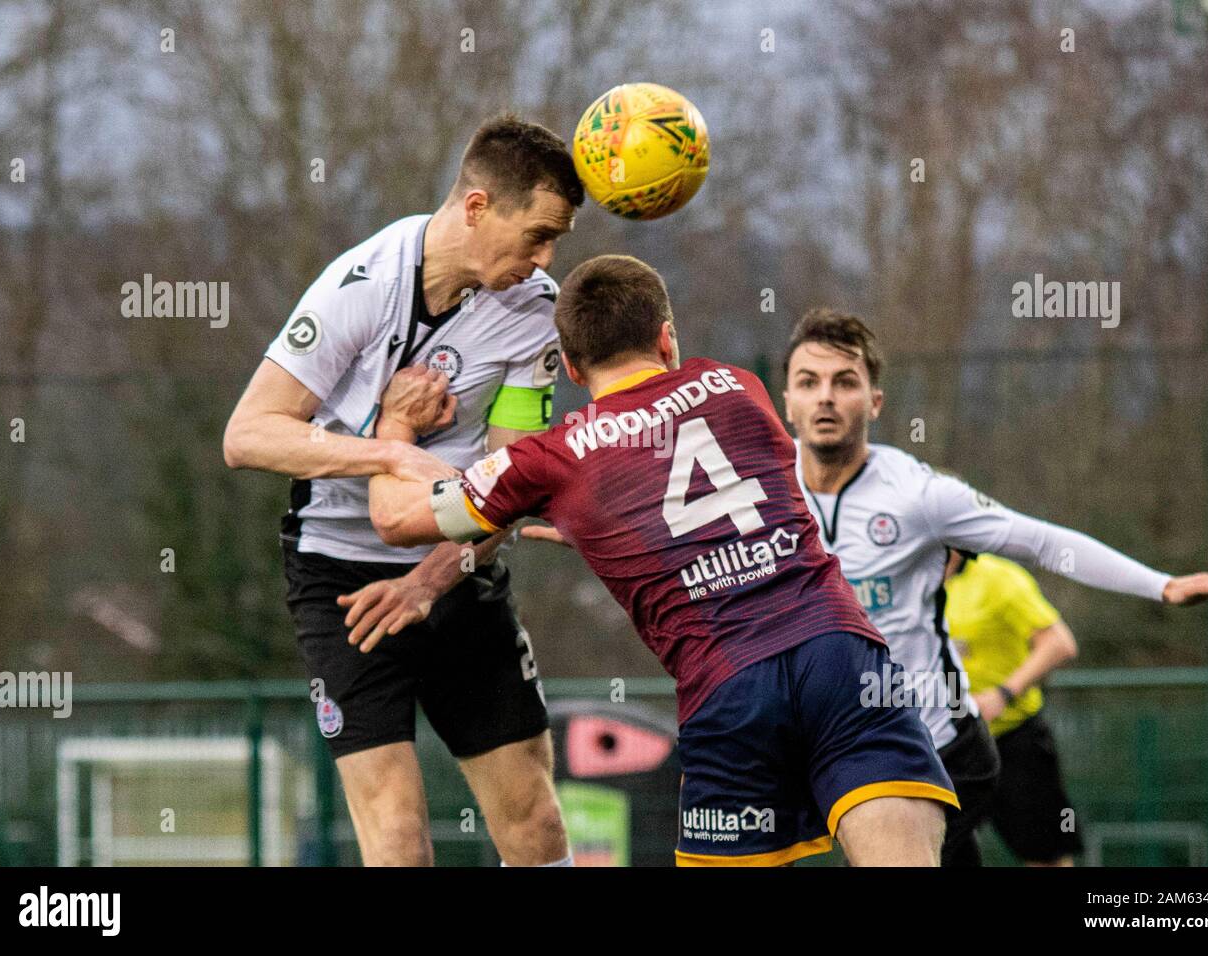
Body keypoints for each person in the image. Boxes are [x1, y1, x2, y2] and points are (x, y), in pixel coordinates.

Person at [366, 254, 961, 867]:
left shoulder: (549, 457)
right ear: (666, 340)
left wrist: (396, 422)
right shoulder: (738, 385)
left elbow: (393, 519)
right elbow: (714, 483)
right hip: (844, 654)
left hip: (729, 687)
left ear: (571, 366)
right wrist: (618, 528)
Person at [222, 115, 583, 866]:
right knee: (396, 836)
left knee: (535, 822)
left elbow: (506, 483)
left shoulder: (535, 315)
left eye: (558, 241)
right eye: (539, 235)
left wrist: (431, 577)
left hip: (455, 569)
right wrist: (392, 450)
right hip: (338, 581)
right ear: (479, 207)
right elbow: (249, 434)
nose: (546, 259)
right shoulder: (362, 284)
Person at [781, 307, 1208, 866]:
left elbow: (1039, 541)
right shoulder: (760, 491)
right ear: (786, 401)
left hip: (938, 746)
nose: (826, 398)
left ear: (876, 401)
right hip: (836, 746)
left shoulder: (919, 494)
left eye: (845, 382)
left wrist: (1162, 585)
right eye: (808, 383)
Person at [943, 550, 1082, 865]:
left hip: (1012, 740)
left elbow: (1061, 643)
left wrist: (1003, 694)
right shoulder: (905, 581)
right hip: (943, 748)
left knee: (1045, 854)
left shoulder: (999, 578)